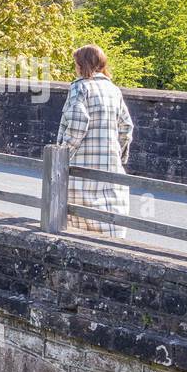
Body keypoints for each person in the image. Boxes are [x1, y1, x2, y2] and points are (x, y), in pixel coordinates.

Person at [57, 44, 134, 237]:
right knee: (109, 217)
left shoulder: (80, 87)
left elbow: (77, 122)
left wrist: (62, 154)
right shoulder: (113, 90)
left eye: (76, 64)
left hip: (81, 166)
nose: (75, 68)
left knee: (76, 222)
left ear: (82, 64)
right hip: (110, 166)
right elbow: (126, 128)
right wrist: (119, 157)